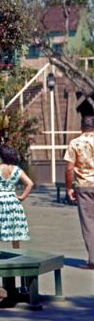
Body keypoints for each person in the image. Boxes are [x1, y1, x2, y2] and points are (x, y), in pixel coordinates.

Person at [0, 144, 33, 248]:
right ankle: (17, 258)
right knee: (15, 234)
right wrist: (22, 197)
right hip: (12, 201)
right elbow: (30, 183)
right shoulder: (17, 170)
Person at [63, 115, 94, 270]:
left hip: (84, 185)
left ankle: (93, 259)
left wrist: (69, 188)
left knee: (88, 223)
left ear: (82, 127)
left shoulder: (75, 143)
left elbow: (69, 168)